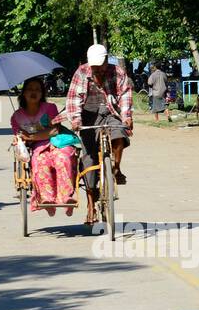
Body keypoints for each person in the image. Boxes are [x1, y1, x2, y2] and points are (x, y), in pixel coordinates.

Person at [65, 44, 133, 217]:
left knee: (119, 134)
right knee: (89, 159)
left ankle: (116, 169)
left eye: (100, 66)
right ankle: (90, 204)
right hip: (87, 115)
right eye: (94, 66)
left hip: (110, 112)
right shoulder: (81, 72)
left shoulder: (117, 72)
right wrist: (76, 120)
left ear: (106, 60)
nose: (98, 70)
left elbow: (125, 94)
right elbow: (74, 98)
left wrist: (126, 116)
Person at [11, 76, 77, 216]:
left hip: (58, 142)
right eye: (29, 89)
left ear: (42, 93)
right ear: (23, 93)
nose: (33, 92)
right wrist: (21, 139)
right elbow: (19, 137)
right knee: (40, 161)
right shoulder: (16, 117)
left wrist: (31, 136)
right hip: (38, 147)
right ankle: (47, 200)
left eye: (37, 90)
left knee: (63, 158)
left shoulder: (50, 108)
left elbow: (54, 130)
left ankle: (66, 198)